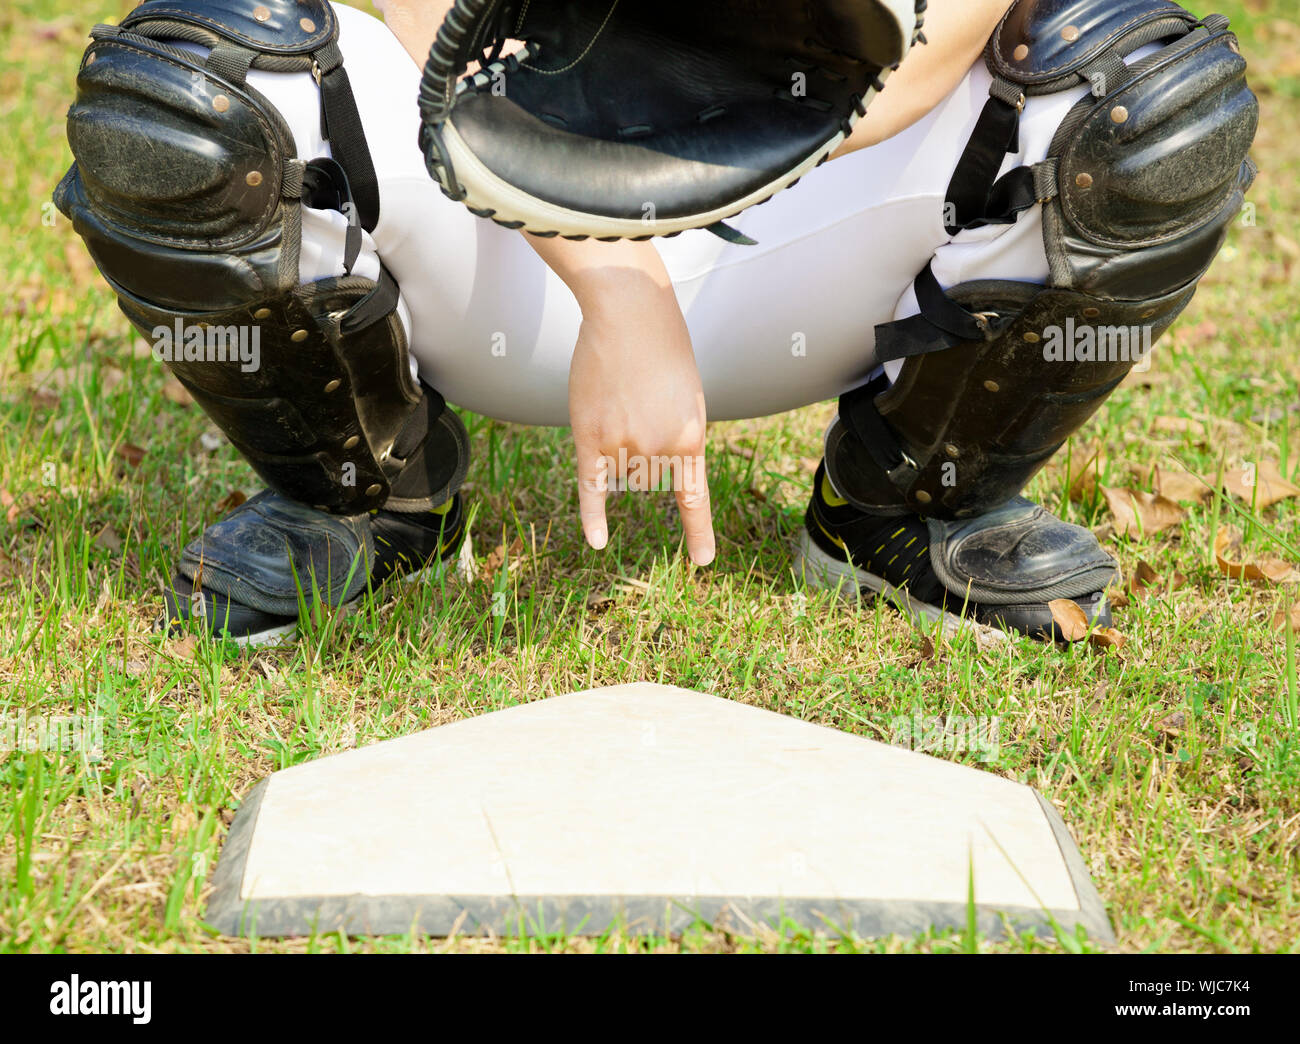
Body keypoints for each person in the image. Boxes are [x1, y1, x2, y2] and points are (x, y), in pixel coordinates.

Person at [54, 0, 1257, 646]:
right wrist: (617, 284)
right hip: (512, 261)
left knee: (1137, 87)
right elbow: (428, 36)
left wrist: (701, 126)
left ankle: (906, 515)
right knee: (201, 80)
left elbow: (940, 48)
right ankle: (365, 501)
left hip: (809, 233)